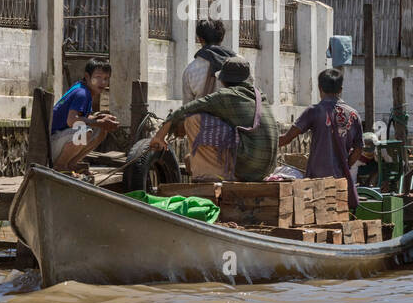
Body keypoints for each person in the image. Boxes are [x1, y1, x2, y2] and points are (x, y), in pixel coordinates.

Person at [149, 56, 279, 182]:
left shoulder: (225, 96)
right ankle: (213, 168)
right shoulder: (259, 95)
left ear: (222, 80)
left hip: (247, 168)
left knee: (194, 120)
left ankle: (208, 175)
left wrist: (160, 136)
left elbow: (183, 110)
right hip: (266, 169)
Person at [278, 68, 364, 208]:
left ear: (319, 88)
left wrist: (264, 144)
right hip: (340, 181)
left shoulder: (314, 111)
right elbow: (359, 148)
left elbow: (287, 138)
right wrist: (345, 165)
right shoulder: (354, 115)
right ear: (341, 89)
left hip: (316, 182)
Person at [50, 59, 119, 171]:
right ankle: (60, 165)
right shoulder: (82, 93)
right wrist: (100, 122)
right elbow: (72, 121)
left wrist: (99, 119)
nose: (102, 82)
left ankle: (71, 163)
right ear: (87, 76)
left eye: (106, 78)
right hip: (51, 145)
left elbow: (82, 117)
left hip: (60, 139)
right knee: (83, 131)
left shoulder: (83, 89)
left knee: (101, 130)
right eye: (98, 77)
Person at [182, 19, 233, 103]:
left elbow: (187, 108)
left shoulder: (190, 71)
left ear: (200, 39)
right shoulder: (240, 63)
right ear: (222, 38)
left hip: (203, 115)